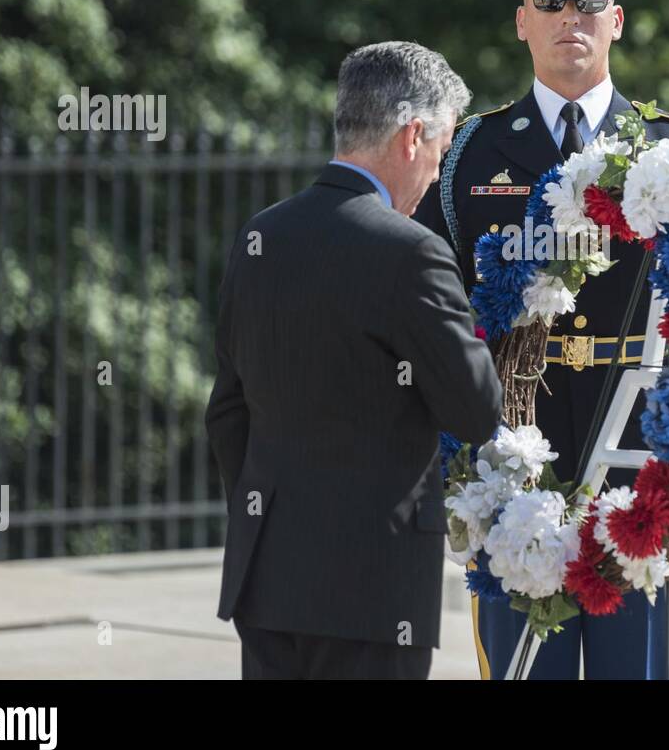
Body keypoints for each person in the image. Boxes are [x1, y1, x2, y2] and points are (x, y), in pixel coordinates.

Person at [414, 0, 669, 679]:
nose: (571, 16)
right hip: (510, 479)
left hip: (642, 473)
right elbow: (428, 313)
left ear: (617, 19)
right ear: (521, 19)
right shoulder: (470, 155)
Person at [207, 41, 503, 679]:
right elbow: (476, 409)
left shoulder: (261, 236)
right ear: (412, 135)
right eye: (441, 150)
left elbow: (227, 413)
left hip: (267, 582)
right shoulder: (411, 253)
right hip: (372, 588)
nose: (434, 173)